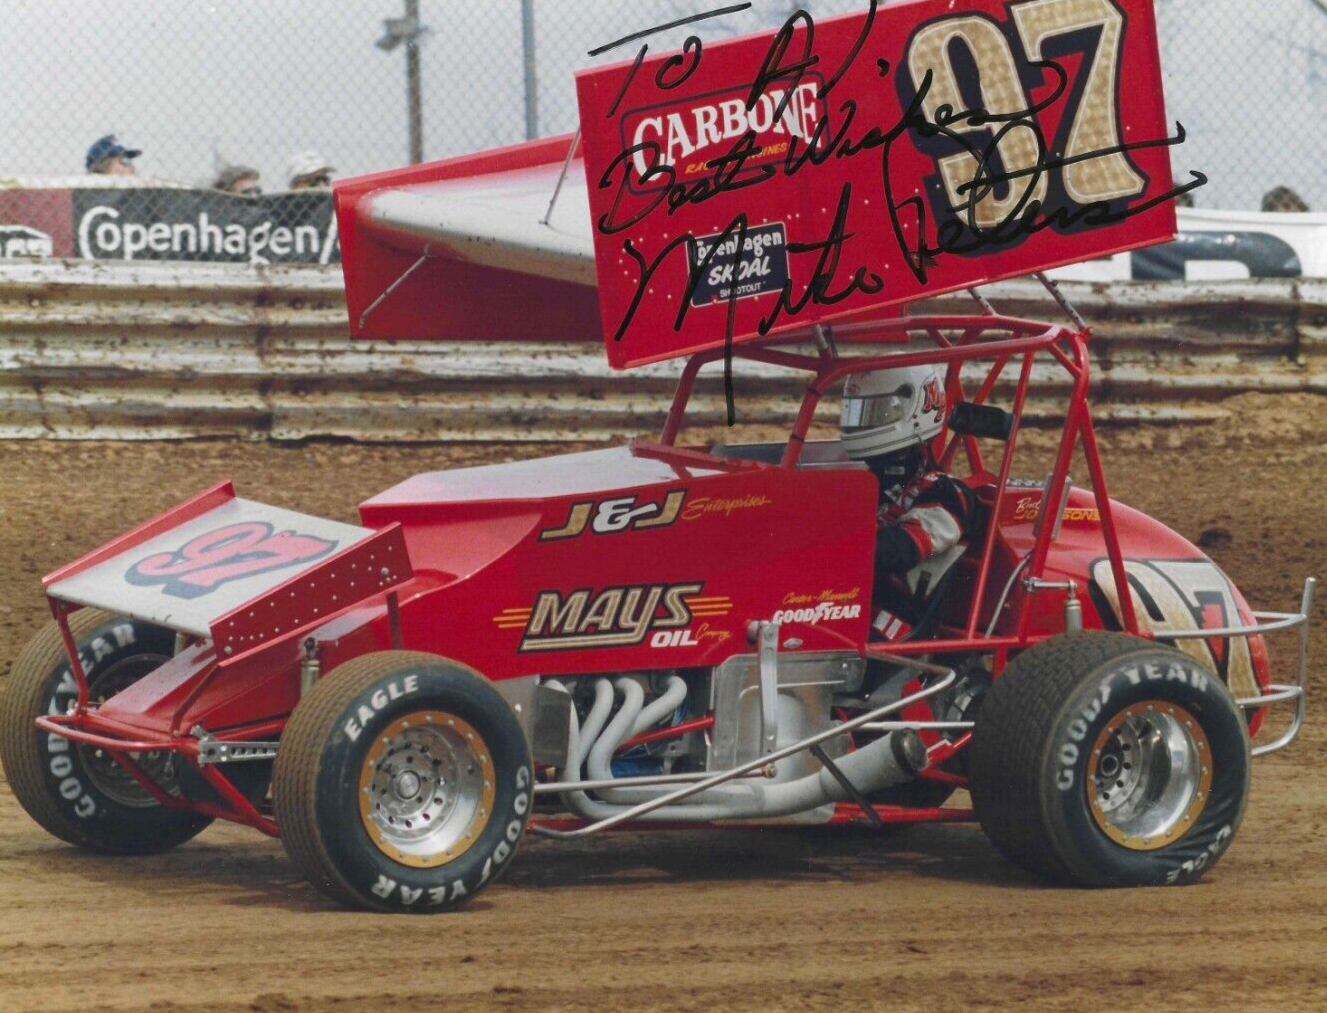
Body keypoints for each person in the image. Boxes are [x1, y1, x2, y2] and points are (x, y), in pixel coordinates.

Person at [840, 365, 984, 640]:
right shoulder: (872, 483)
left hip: (899, 618)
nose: (867, 422)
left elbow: (900, 549)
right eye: (861, 413)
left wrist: (832, 554)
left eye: (879, 412)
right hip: (854, 599)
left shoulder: (947, 493)